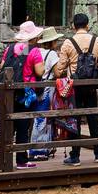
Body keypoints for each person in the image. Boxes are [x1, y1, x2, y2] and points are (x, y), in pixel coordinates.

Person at [58, 13, 98, 165]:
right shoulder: (97, 40)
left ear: (73, 26)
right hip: (91, 86)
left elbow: (60, 68)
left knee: (75, 119)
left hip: (76, 87)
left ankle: (75, 156)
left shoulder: (68, 43)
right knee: (93, 118)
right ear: (88, 25)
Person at [0, 21, 44, 168]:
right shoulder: (34, 50)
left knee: (8, 124)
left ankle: (4, 159)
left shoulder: (10, 48)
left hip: (9, 92)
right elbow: (40, 71)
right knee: (23, 126)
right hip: (25, 93)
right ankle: (21, 160)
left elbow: (2, 66)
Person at [28, 26, 64, 161]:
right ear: (52, 42)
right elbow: (57, 73)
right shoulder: (52, 54)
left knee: (35, 117)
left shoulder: (35, 51)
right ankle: (40, 149)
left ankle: (34, 147)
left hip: (34, 87)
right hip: (47, 87)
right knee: (43, 118)